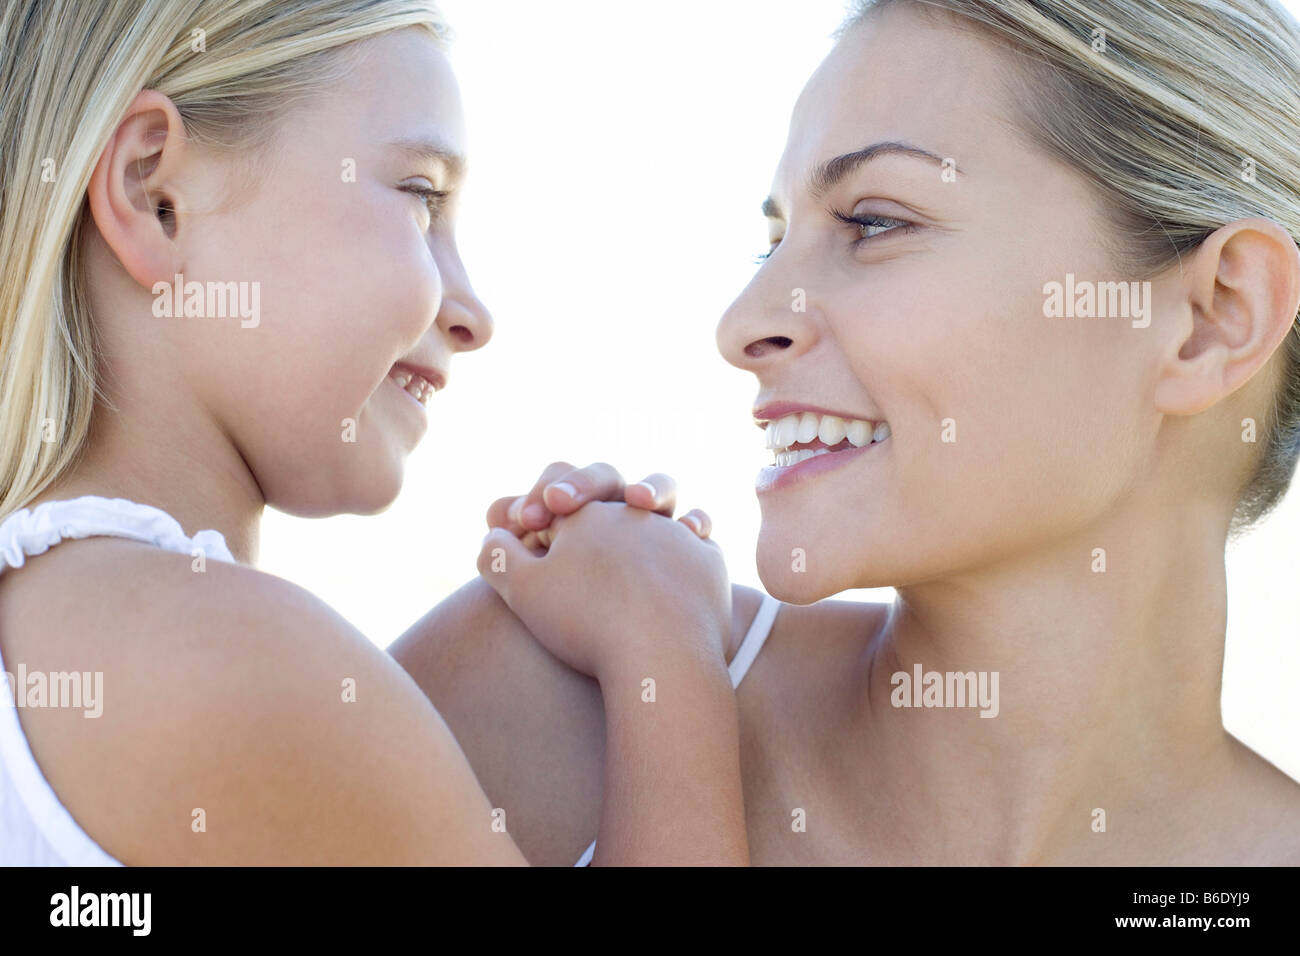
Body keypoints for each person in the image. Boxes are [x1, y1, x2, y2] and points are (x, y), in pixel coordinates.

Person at [396, 0, 1300, 864]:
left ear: (1216, 317)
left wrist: (667, 681)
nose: (743, 323)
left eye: (874, 222)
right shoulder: (537, 699)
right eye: (774, 241)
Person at [0, 0, 747, 866]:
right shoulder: (240, 663)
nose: (472, 313)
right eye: (421, 197)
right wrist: (669, 648)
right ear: (156, 194)